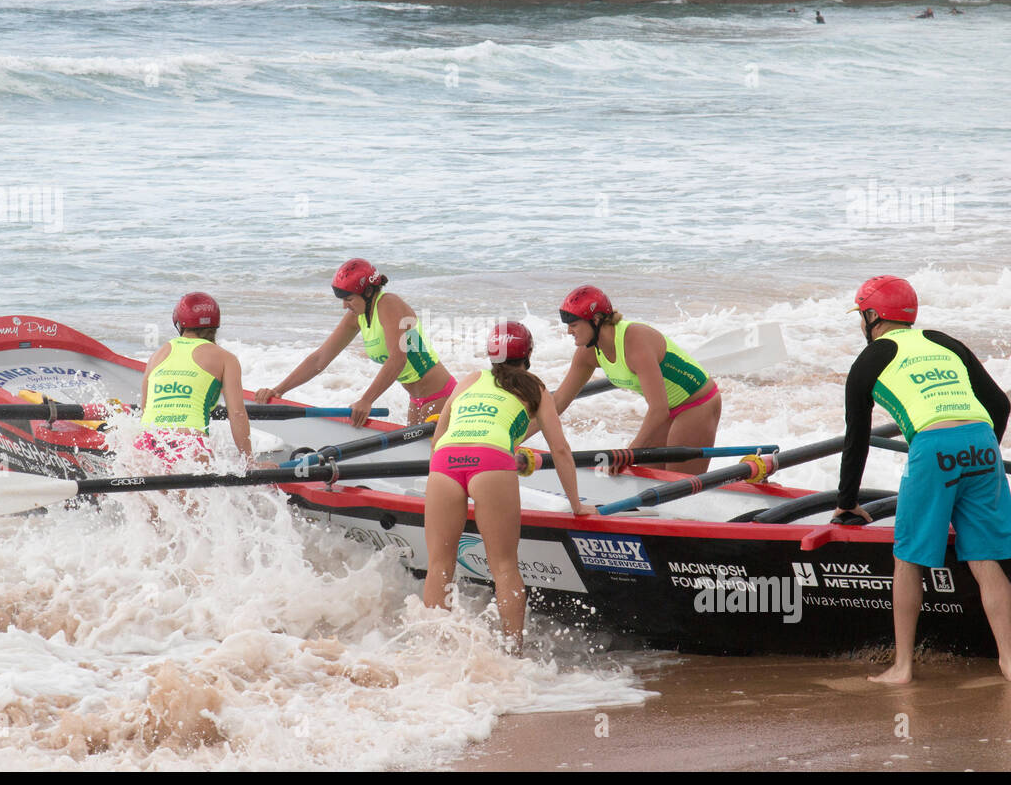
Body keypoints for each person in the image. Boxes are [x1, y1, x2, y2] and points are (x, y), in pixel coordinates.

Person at [834, 276, 1011, 684]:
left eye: (861, 316)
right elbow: (1000, 405)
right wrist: (983, 457)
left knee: (909, 557)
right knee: (984, 557)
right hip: (982, 442)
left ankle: (902, 668)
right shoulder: (943, 341)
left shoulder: (870, 360)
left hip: (933, 446)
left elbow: (856, 439)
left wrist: (846, 502)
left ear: (871, 316)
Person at [423, 322, 597, 652]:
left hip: (445, 462)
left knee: (439, 565)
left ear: (491, 354)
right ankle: (512, 652)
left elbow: (437, 440)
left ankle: (435, 650)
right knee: (504, 566)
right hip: (491, 463)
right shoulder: (536, 390)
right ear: (528, 355)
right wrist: (576, 504)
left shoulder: (470, 380)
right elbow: (560, 450)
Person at [254, 259, 456, 427]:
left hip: (441, 397)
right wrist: (279, 390)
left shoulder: (389, 304)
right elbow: (319, 359)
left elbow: (398, 359)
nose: (344, 306)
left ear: (368, 292)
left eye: (348, 299)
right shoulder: (358, 315)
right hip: (417, 401)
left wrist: (366, 400)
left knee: (432, 468)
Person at [547, 286, 721, 475]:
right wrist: (514, 439)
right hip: (665, 410)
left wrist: (628, 453)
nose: (568, 332)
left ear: (595, 320)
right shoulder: (588, 353)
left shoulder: (635, 341)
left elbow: (658, 409)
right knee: (649, 478)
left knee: (677, 485)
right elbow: (556, 403)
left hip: (696, 405)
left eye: (573, 325)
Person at [137, 292, 263, 470]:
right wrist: (249, 461)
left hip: (147, 442)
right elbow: (237, 414)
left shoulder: (157, 354)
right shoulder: (226, 358)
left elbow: (145, 408)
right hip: (189, 444)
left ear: (179, 323)